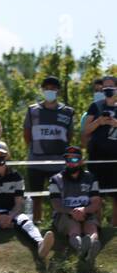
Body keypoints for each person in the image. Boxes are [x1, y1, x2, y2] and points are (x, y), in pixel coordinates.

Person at [0, 141, 53, 262]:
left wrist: (9, 217)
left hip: (12, 213)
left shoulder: (17, 177)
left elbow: (19, 203)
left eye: (2, 154)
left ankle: (41, 244)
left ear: (8, 156)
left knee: (26, 221)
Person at [22, 75, 75, 222]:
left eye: (53, 88)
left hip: (59, 162)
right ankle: (36, 224)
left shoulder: (68, 112)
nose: (49, 91)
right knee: (36, 197)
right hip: (36, 162)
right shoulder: (32, 110)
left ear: (58, 90)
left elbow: (69, 136)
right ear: (42, 90)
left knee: (59, 197)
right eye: (46, 88)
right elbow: (27, 135)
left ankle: (58, 223)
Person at [48, 146, 102, 263]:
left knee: (92, 229)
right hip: (64, 213)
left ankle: (91, 246)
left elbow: (96, 202)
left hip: (86, 212)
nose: (71, 163)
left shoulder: (91, 178)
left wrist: (84, 210)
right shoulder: (56, 179)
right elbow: (56, 204)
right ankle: (81, 248)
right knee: (74, 228)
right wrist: (72, 212)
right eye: (68, 159)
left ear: (81, 161)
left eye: (74, 160)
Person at [81, 75, 117, 226]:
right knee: (96, 195)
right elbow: (85, 131)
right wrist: (99, 121)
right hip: (96, 157)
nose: (107, 90)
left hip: (115, 159)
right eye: (105, 87)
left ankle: (115, 229)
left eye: (111, 87)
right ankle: (97, 227)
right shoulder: (95, 106)